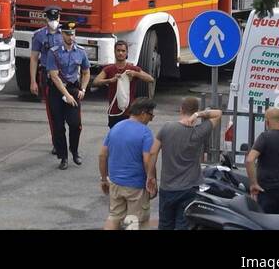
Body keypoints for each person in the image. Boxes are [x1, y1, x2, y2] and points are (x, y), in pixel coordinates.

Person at [146, 95, 222, 231]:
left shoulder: (167, 128)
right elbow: (218, 114)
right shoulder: (199, 132)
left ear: (181, 110)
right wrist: (198, 114)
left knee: (165, 224)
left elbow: (153, 152)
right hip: (189, 188)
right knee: (183, 225)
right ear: (195, 111)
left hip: (168, 187)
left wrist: (150, 176)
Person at [99, 98, 157, 231]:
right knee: (136, 220)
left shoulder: (116, 127)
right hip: (135, 185)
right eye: (151, 115)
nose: (151, 119)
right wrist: (151, 180)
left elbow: (102, 155)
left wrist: (104, 178)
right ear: (143, 113)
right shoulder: (145, 132)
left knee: (114, 216)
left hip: (115, 182)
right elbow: (147, 160)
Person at [47, 22, 91, 168]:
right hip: (57, 91)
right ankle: (63, 157)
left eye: (72, 33)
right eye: (67, 33)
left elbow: (86, 72)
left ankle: (74, 150)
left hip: (73, 88)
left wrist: (83, 89)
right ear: (62, 34)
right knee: (58, 126)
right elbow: (54, 76)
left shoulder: (81, 51)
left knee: (75, 124)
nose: (70, 37)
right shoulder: (53, 52)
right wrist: (66, 95)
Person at [92, 40, 154, 127]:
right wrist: (110, 80)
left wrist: (136, 74)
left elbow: (150, 79)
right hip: (114, 112)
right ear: (114, 52)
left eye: (123, 51)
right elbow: (95, 82)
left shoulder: (133, 68)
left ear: (127, 53)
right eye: (118, 50)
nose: (120, 53)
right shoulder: (109, 69)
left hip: (130, 112)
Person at [30, 7, 64, 154]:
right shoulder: (38, 36)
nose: (53, 22)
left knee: (67, 112)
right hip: (47, 76)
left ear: (60, 18)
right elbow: (34, 58)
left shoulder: (65, 35)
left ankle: (65, 140)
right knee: (52, 112)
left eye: (55, 18)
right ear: (46, 19)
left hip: (64, 75)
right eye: (51, 19)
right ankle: (57, 143)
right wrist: (33, 81)